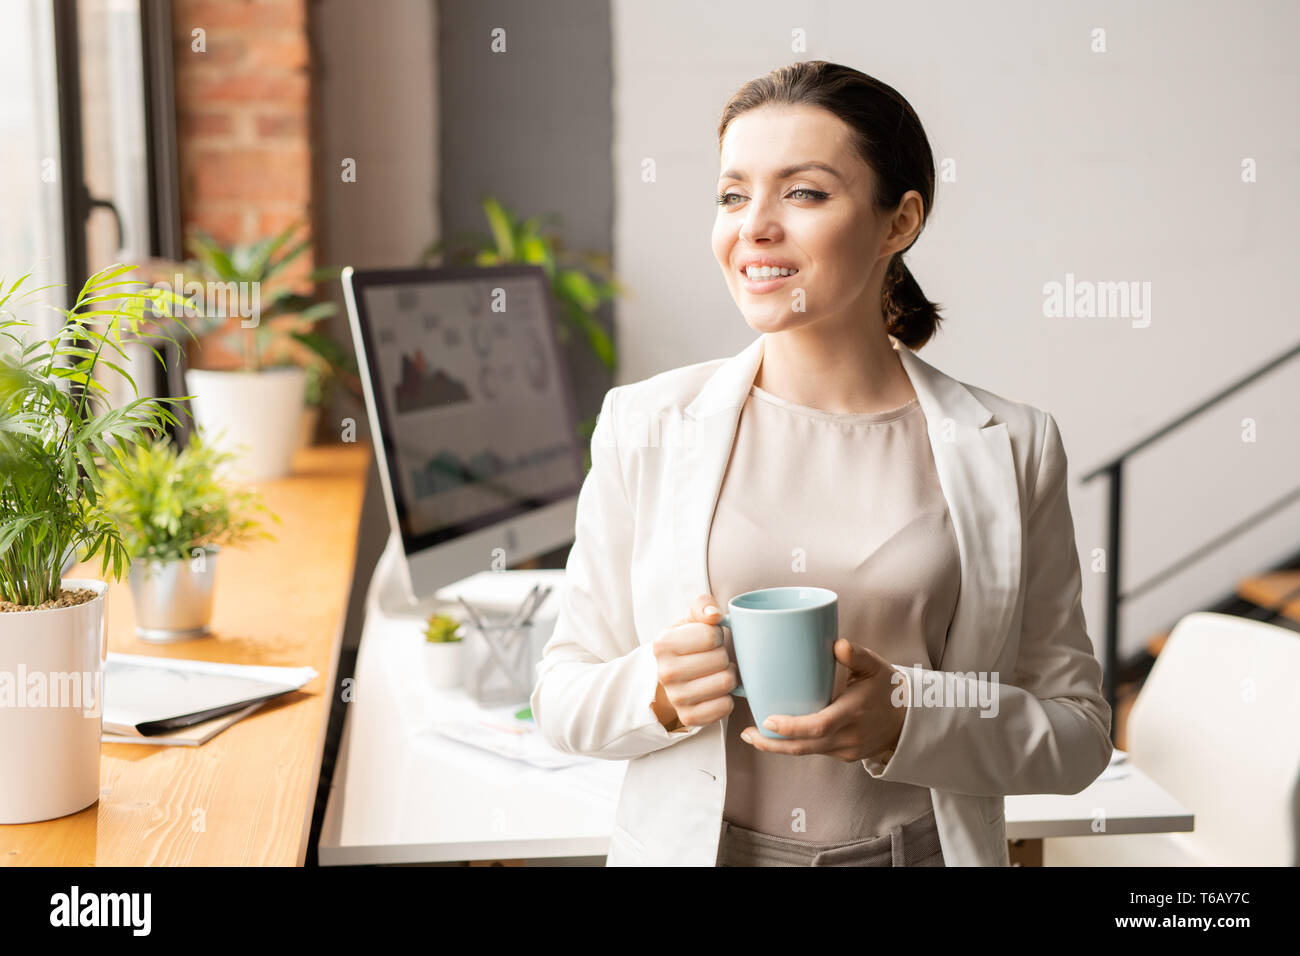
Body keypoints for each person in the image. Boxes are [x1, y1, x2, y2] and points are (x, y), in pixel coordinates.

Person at [530, 60, 1112, 867]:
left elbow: (1079, 732)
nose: (755, 226)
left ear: (898, 222)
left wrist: (910, 718)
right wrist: (653, 693)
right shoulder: (646, 424)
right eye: (734, 195)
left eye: (803, 193)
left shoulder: (1013, 443)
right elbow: (560, 696)